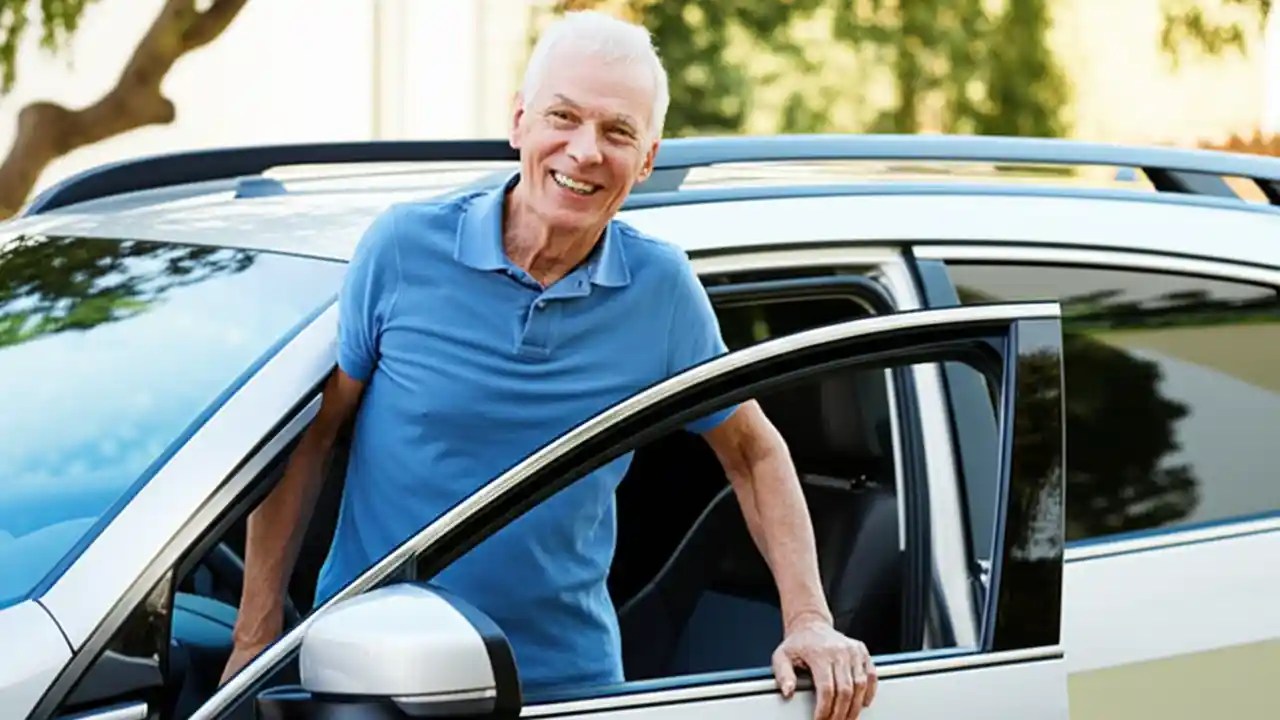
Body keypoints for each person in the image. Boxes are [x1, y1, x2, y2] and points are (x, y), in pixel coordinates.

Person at [223, 10, 877, 720]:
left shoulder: (660, 292)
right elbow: (309, 439)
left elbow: (753, 453)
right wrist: (255, 637)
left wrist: (808, 618)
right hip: (369, 673)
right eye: (563, 116)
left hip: (566, 691)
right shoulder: (403, 251)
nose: (585, 151)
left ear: (648, 158)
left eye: (618, 132)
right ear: (519, 122)